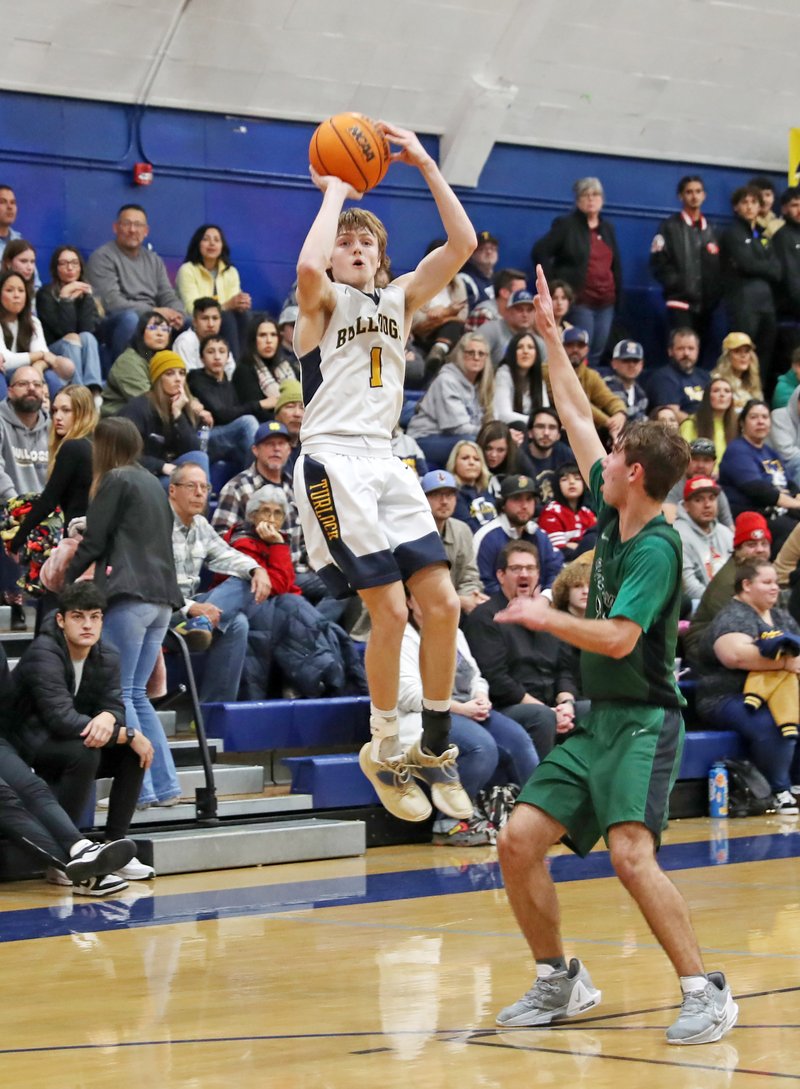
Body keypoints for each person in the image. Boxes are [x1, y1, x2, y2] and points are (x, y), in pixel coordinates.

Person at [493, 264, 738, 1045]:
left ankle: (706, 989)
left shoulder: (657, 549)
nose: (598, 456)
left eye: (613, 452)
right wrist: (547, 337)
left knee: (631, 855)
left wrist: (545, 614)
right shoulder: (618, 515)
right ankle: (558, 979)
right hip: (595, 721)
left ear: (634, 474)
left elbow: (621, 638)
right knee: (517, 840)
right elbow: (573, 414)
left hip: (641, 721)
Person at [293, 120, 477, 822]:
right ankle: (383, 745)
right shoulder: (321, 302)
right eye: (346, 239)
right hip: (333, 456)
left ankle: (434, 742)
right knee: (391, 611)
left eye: (366, 238)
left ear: (381, 255)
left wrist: (428, 163)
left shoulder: (400, 298)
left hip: (389, 457)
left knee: (445, 606)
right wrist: (337, 192)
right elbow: (309, 269)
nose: (355, 244)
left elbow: (461, 245)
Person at [3, 581, 156, 892]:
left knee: (134, 753)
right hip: (28, 742)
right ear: (61, 620)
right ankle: (74, 855)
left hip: (68, 737)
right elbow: (61, 719)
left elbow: (115, 704)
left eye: (95, 617)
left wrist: (110, 718)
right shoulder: (43, 653)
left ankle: (113, 845)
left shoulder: (107, 655)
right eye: (77, 617)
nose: (87, 625)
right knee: (87, 750)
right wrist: (126, 733)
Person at [66, 417, 184, 809]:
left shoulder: (115, 480)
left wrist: (66, 584)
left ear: (105, 446)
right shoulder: (153, 481)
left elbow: (95, 541)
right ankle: (165, 787)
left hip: (129, 595)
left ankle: (141, 790)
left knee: (120, 693)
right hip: (163, 600)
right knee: (136, 693)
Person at [399, 589, 538, 846]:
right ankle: (449, 823)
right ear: (409, 601)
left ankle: (536, 820)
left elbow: (476, 676)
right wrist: (461, 709)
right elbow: (408, 695)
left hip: (468, 708)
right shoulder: (401, 638)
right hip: (423, 716)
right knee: (480, 747)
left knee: (519, 741)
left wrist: (480, 696)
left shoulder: (454, 632)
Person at [695, 560, 800, 813]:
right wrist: (786, 663)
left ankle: (797, 784)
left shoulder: (780, 615)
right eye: (766, 582)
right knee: (771, 722)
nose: (774, 588)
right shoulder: (734, 615)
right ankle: (779, 790)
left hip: (778, 692)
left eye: (775, 582)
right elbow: (734, 655)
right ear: (746, 585)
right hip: (725, 697)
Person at [465, 540, 579, 760]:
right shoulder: (486, 617)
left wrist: (566, 704)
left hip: (551, 704)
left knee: (594, 711)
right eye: (516, 569)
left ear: (538, 574)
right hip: (507, 707)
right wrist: (550, 711)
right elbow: (497, 680)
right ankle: (539, 792)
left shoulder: (548, 615)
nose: (524, 574)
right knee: (542, 717)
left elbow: (565, 670)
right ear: (500, 575)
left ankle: (593, 789)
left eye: (530, 568)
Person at [169, 461, 269, 702]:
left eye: (204, 487)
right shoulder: (156, 523)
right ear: (172, 490)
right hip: (162, 610)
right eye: (191, 486)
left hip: (191, 615)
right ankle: (198, 621)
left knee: (240, 614)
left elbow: (227, 556)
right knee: (238, 620)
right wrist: (190, 608)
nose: (200, 493)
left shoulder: (200, 524)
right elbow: (149, 582)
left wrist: (257, 569)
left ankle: (211, 712)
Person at [532, 177, 622, 366]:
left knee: (597, 351)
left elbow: (615, 263)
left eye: (595, 194)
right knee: (579, 351)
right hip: (581, 300)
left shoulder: (608, 228)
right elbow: (540, 251)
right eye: (585, 195)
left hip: (606, 301)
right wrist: (554, 286)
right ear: (577, 200)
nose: (591, 199)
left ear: (602, 199)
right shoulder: (566, 225)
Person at [87, 204, 186, 361]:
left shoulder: (154, 260)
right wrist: (155, 312)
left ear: (146, 231)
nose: (132, 230)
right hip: (115, 322)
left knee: (189, 323)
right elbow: (112, 303)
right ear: (115, 228)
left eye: (138, 225)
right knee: (130, 319)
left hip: (152, 318)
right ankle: (123, 375)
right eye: (127, 224)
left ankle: (181, 378)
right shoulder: (102, 257)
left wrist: (177, 313)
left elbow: (167, 293)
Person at [9, 384, 97, 557]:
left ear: (83, 413)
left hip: (77, 543)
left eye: (66, 410)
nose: (58, 417)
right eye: (55, 410)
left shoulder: (73, 447)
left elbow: (48, 500)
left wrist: (16, 541)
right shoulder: (94, 445)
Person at [684, 511, 772, 666]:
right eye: (751, 545)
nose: (760, 550)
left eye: (764, 544)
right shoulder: (730, 583)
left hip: (743, 638)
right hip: (705, 648)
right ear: (738, 549)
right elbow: (730, 628)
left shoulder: (759, 573)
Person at [719, 185, 781, 390]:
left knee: (763, 357)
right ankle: (735, 395)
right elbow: (746, 263)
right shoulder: (732, 233)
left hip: (766, 303)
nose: (749, 207)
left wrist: (760, 266)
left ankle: (756, 397)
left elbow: (778, 270)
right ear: (736, 207)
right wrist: (765, 267)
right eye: (744, 202)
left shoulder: (763, 235)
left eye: (754, 202)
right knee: (739, 352)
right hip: (743, 302)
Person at [718, 398, 800, 547]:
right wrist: (795, 504)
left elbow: (791, 485)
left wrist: (797, 499)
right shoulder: (737, 450)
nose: (760, 421)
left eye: (765, 417)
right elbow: (758, 490)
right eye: (754, 417)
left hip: (782, 511)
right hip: (755, 516)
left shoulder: (770, 452)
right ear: (742, 423)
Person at [649, 175, 721, 344]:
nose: (694, 196)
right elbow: (658, 262)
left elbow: (719, 267)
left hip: (706, 307)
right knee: (682, 350)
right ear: (680, 196)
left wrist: (714, 294)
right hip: (680, 303)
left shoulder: (712, 229)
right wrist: (678, 284)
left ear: (704, 195)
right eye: (689, 192)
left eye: (698, 191)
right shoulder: (669, 226)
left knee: (700, 354)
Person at [405, 332, 494, 467]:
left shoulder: (482, 384)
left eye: (481, 354)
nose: (476, 357)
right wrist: (490, 433)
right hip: (425, 439)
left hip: (452, 437)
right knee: (472, 443)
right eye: (471, 352)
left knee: (500, 443)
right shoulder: (446, 380)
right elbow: (457, 428)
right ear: (461, 354)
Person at [119, 350, 207, 484]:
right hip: (144, 477)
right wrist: (161, 466)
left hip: (173, 474)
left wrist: (178, 415)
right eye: (170, 373)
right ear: (158, 379)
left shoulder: (184, 406)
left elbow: (193, 451)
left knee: (199, 458)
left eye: (182, 373)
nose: (178, 379)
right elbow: (123, 454)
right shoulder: (138, 408)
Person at [473, 473, 563, 594]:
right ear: (503, 504)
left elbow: (554, 570)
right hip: (496, 607)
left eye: (529, 499)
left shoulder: (538, 534)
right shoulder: (487, 537)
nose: (524, 505)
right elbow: (484, 584)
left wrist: (545, 597)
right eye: (517, 499)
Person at [175, 223, 251, 359]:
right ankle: (233, 368)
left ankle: (243, 366)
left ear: (222, 246)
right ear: (198, 244)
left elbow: (234, 301)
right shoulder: (187, 270)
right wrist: (227, 305)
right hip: (194, 319)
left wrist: (241, 304)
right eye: (206, 239)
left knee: (244, 316)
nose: (211, 244)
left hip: (224, 319)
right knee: (226, 317)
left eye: (216, 240)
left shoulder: (231, 271)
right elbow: (192, 308)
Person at [186, 334, 260, 470]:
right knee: (247, 423)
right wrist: (258, 405)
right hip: (203, 436)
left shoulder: (227, 381)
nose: (217, 357)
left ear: (228, 357)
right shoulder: (196, 379)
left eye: (222, 351)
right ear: (201, 358)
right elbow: (221, 414)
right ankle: (257, 476)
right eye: (210, 352)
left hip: (224, 435)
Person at [421, 468, 487, 615]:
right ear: (422, 498)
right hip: (416, 613)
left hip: (454, 610)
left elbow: (469, 575)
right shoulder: (410, 532)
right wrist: (460, 601)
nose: (444, 501)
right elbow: (414, 590)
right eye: (436, 495)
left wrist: (470, 598)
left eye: (450, 495)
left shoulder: (462, 530)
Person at [35, 246, 103, 389]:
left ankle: (94, 391)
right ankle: (77, 392)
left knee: (88, 337)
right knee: (72, 337)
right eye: (64, 263)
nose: (70, 268)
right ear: (56, 268)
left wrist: (87, 298)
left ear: (80, 267)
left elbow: (88, 329)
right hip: (54, 349)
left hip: (78, 347)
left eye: (74, 263)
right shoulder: (45, 294)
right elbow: (63, 331)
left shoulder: (84, 292)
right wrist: (65, 299)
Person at [0, 269, 74, 399]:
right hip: (6, 373)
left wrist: (38, 366)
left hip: (28, 373)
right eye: (9, 290)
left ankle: (57, 412)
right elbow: (5, 361)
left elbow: (45, 357)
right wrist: (40, 355)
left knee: (50, 376)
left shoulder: (33, 322)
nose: (16, 295)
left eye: (21, 291)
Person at [545, 327, 627, 440]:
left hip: (582, 428)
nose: (575, 349)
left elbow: (610, 399)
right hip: (557, 427)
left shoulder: (590, 375)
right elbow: (573, 402)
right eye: (570, 345)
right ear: (561, 347)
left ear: (587, 349)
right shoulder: (549, 370)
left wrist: (620, 413)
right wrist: (607, 421)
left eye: (580, 346)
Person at [675, 476, 734, 609]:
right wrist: (725, 605)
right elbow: (689, 586)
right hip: (697, 607)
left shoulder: (725, 533)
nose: (707, 505)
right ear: (686, 506)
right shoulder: (678, 534)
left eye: (712, 498)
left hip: (729, 604)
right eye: (698, 500)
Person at [100, 309, 173, 417]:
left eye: (164, 329)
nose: (160, 333)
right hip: (119, 424)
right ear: (141, 332)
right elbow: (146, 401)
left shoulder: (160, 359)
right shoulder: (128, 361)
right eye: (153, 328)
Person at [232, 314, 297, 423]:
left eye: (273, 335)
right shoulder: (244, 370)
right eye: (262, 335)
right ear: (253, 340)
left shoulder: (287, 366)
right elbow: (255, 413)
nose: (269, 340)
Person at [644, 327, 709, 421]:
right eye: (681, 349)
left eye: (691, 348)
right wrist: (700, 426)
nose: (686, 353)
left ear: (697, 351)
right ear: (670, 351)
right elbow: (673, 414)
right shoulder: (663, 377)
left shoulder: (704, 376)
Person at [537, 461, 598, 554]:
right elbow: (558, 551)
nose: (572, 482)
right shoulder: (551, 513)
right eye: (564, 479)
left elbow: (597, 544)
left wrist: (576, 546)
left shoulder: (587, 513)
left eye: (577, 478)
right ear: (557, 485)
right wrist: (582, 547)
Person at [494, 332, 547, 431]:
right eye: (519, 347)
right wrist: (538, 422)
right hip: (508, 429)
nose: (525, 351)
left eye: (530, 347)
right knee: (520, 426)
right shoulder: (503, 374)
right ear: (512, 352)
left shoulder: (537, 376)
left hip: (533, 429)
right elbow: (503, 415)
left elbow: (545, 409)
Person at [173, 297, 235, 378]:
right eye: (205, 318)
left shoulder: (220, 343)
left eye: (215, 318)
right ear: (194, 322)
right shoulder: (185, 341)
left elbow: (231, 374)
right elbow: (189, 380)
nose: (211, 324)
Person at [678, 376, 738, 460]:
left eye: (727, 391)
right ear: (707, 396)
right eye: (716, 391)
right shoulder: (691, 424)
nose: (722, 394)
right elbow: (684, 458)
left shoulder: (738, 426)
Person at [443, 439, 494, 528]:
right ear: (454, 463)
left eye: (477, 459)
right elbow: (468, 528)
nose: (471, 462)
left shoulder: (487, 490)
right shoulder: (452, 494)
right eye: (465, 458)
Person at [711, 332, 764, 414]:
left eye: (746, 351)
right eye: (737, 351)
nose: (743, 356)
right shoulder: (717, 380)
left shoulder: (754, 383)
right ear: (727, 356)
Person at [604, 339, 649, 421]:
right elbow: (629, 417)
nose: (631, 365)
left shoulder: (641, 394)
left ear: (641, 364)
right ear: (614, 363)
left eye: (635, 361)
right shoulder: (606, 385)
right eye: (626, 360)